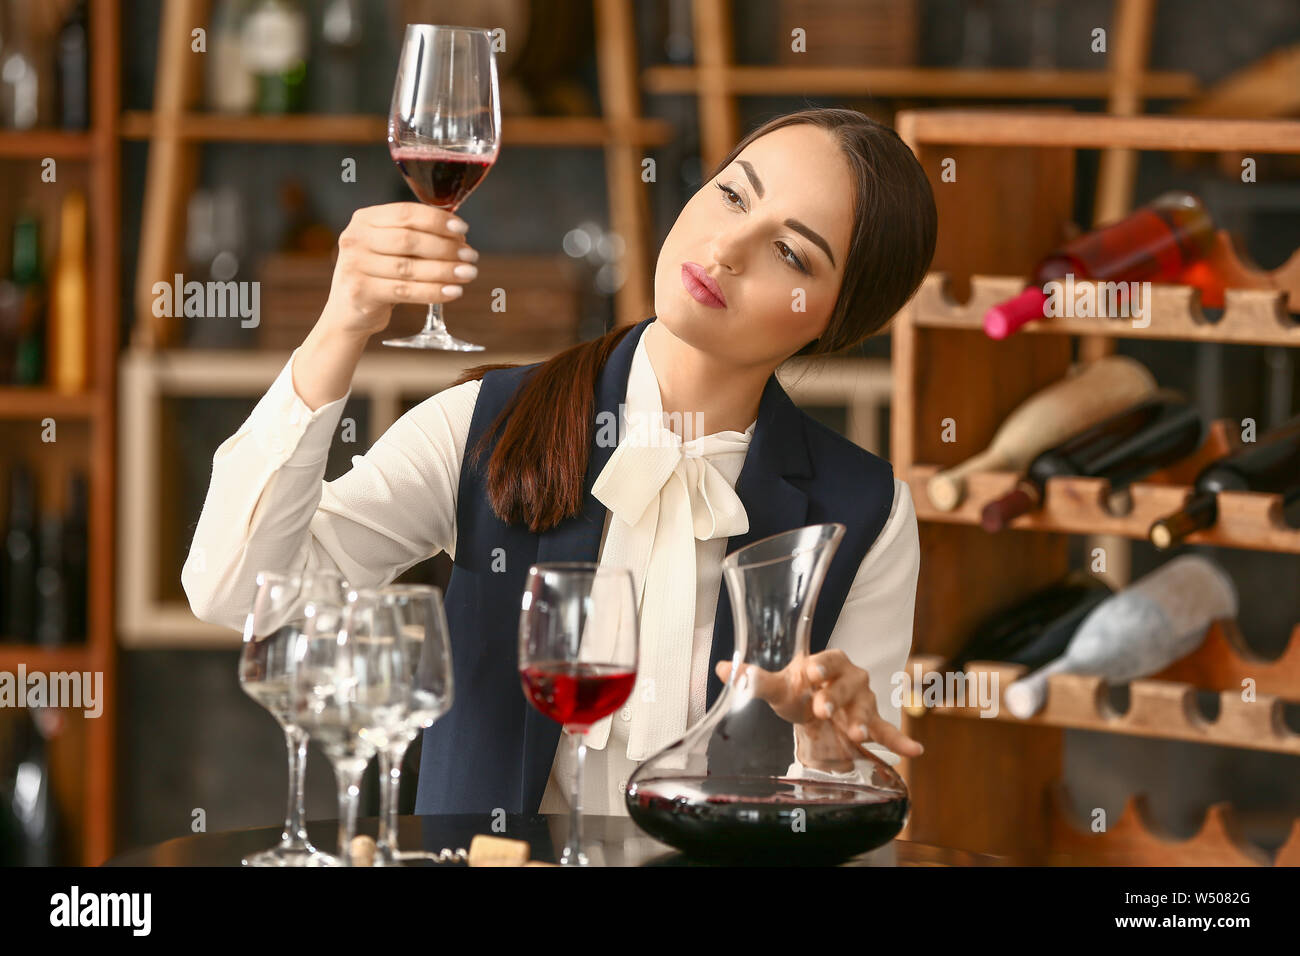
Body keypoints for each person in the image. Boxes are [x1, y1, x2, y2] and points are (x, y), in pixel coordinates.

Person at [183, 107, 938, 817]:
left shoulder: (867, 513)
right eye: (733, 195)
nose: (726, 249)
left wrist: (829, 752)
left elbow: (860, 806)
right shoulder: (484, 426)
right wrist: (339, 326)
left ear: (836, 321)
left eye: (788, 252)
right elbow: (240, 596)